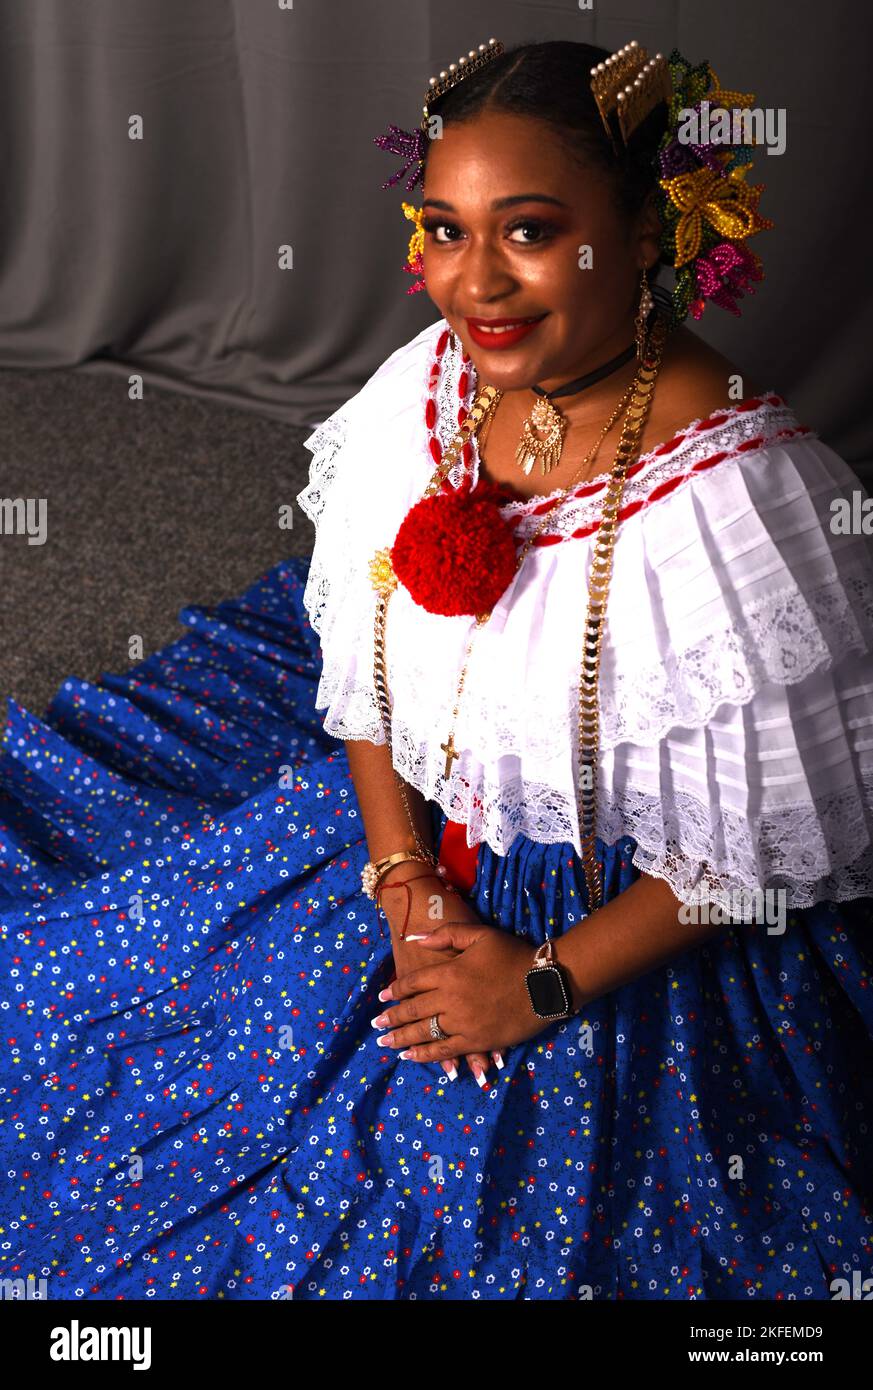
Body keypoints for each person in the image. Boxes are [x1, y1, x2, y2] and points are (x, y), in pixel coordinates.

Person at [0, 37, 871, 1303]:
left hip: (626, 932)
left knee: (480, 1213)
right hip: (424, 845)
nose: (475, 285)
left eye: (528, 231)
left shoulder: (739, 502)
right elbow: (366, 672)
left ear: (647, 232)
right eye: (444, 230)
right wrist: (405, 879)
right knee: (104, 1024)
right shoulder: (433, 386)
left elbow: (759, 855)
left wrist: (538, 984)